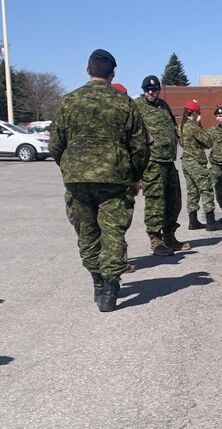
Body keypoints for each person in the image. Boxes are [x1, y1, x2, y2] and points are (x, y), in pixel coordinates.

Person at [49, 49, 149, 312]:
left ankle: (96, 279)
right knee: (113, 232)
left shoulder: (69, 101)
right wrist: (137, 177)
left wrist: (71, 166)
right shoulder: (125, 104)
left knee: (87, 231)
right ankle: (110, 285)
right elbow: (139, 146)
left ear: (87, 70)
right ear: (113, 72)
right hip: (114, 178)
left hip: (78, 179)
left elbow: (55, 143)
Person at [136, 75, 188, 255]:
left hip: (168, 161)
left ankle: (170, 237)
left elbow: (174, 127)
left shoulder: (163, 105)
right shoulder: (137, 106)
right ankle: (155, 239)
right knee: (155, 202)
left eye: (155, 89)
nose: (151, 92)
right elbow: (131, 131)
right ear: (143, 91)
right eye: (148, 90)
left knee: (174, 201)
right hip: (152, 162)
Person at [179, 100, 221, 231]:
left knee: (192, 191)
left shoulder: (182, 127)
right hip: (195, 161)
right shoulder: (193, 126)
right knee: (206, 189)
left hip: (186, 161)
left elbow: (182, 143)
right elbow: (208, 141)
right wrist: (199, 124)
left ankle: (193, 221)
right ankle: (210, 221)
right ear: (195, 113)